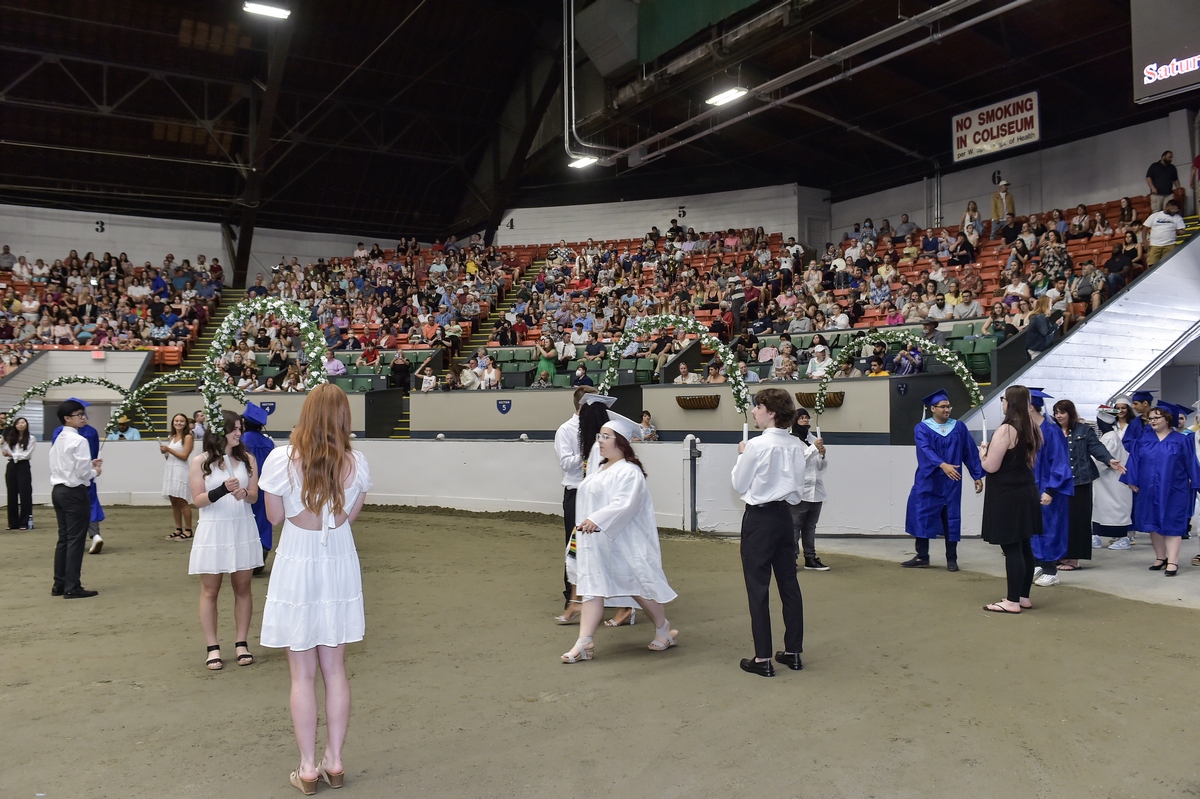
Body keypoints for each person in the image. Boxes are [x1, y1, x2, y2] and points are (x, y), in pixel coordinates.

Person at [257, 384, 370, 794]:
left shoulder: (281, 459)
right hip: (338, 562)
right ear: (343, 417)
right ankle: (335, 762)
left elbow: (272, 518)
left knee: (302, 674)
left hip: (297, 561)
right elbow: (347, 518)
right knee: (335, 668)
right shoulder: (356, 462)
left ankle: (307, 768)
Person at [560, 402, 678, 663]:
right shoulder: (599, 468)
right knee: (592, 587)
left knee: (637, 587)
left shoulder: (629, 471)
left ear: (620, 442)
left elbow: (624, 503)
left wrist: (597, 519)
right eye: (599, 436)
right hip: (596, 542)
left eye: (606, 437)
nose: (600, 441)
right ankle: (584, 642)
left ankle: (663, 629)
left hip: (622, 541)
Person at [731, 388, 806, 677]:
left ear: (771, 412)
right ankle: (793, 651)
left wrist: (741, 455)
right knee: (789, 584)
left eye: (757, 406)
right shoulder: (797, 446)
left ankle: (762, 658)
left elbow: (739, 484)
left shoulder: (756, 446)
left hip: (760, 519)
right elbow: (798, 490)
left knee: (758, 588)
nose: (753, 411)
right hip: (785, 518)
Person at [188, 410, 263, 671]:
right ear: (219, 432)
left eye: (240, 428)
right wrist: (221, 490)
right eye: (234, 429)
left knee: (243, 589)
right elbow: (197, 500)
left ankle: (241, 643)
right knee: (210, 591)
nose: (239, 433)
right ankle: (212, 647)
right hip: (213, 529)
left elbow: (254, 495)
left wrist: (244, 493)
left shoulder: (247, 459)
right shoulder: (200, 462)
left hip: (241, 527)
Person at [901, 390, 984, 571]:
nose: (947, 410)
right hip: (929, 479)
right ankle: (922, 556)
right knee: (921, 513)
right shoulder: (922, 428)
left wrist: (977, 474)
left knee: (951, 517)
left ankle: (951, 558)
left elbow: (969, 451)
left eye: (948, 406)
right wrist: (942, 464)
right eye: (943, 407)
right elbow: (925, 450)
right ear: (933, 408)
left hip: (951, 482)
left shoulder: (959, 427)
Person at [979, 385, 1043, 613]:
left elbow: (991, 466)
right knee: (1025, 545)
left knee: (1012, 547)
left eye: (1004, 399)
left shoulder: (1007, 429)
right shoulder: (1033, 427)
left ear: (1010, 402)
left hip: (1008, 494)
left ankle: (1012, 601)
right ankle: (1023, 596)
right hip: (1026, 491)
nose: (1002, 403)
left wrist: (982, 454)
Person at [1121, 403, 1200, 577]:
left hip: (1174, 489)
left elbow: (1191, 464)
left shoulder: (1182, 440)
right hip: (1148, 488)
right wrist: (1131, 480)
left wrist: (1196, 482)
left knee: (1172, 523)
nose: (1152, 421)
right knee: (1153, 523)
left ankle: (1172, 561)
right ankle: (1160, 557)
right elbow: (1134, 460)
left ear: (1167, 419)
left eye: (1157, 418)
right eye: (1150, 418)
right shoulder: (1143, 439)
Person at [1052, 400, 1125, 570]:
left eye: (1062, 412)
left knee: (1078, 520)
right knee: (1060, 520)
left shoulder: (1084, 430)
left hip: (1080, 481)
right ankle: (1061, 554)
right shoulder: (1052, 431)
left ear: (1071, 413)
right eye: (1056, 413)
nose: (1059, 416)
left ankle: (1074, 559)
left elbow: (1096, 447)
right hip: (1058, 482)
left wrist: (1108, 460)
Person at [49, 399, 103, 599]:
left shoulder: (60, 438)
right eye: (79, 415)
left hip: (58, 490)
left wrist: (88, 467)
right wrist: (95, 470)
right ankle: (72, 586)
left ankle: (60, 583)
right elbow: (82, 472)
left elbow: (61, 465)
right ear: (67, 418)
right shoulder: (79, 440)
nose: (83, 418)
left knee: (64, 538)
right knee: (75, 540)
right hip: (74, 492)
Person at [553, 387, 596, 621]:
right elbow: (567, 463)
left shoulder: (599, 429)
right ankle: (572, 596)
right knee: (573, 545)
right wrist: (587, 452)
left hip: (595, 493)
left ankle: (594, 594)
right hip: (576, 493)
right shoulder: (565, 430)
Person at [1028, 389, 1074, 587]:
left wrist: (1050, 490)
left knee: (1049, 527)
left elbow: (1061, 464)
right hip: (1032, 487)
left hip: (1049, 489)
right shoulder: (1029, 430)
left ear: (1030, 407)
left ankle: (1050, 570)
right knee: (1034, 527)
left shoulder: (1051, 431)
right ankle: (1038, 563)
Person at [790, 408, 829, 571]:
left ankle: (810, 558)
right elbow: (797, 463)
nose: (805, 421)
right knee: (794, 527)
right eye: (802, 418)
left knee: (810, 527)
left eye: (807, 418)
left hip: (816, 490)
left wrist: (821, 455)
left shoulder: (813, 438)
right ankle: (790, 559)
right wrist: (813, 448)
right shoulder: (791, 440)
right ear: (795, 420)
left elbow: (820, 467)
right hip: (801, 491)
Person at [1092, 403, 1134, 550]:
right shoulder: (1108, 436)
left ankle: (1123, 538)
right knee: (1101, 508)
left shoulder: (1110, 438)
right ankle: (1096, 535)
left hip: (1114, 481)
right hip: (1105, 481)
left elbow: (1102, 460)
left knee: (1115, 508)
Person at [241, 402, 276, 576]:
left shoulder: (242, 441)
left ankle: (247, 557)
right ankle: (261, 552)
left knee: (247, 517)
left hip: (248, 485)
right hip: (266, 485)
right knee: (263, 516)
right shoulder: (268, 443)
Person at [161, 413, 195, 541]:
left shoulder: (188, 437)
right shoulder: (172, 437)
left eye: (181, 421)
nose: (178, 423)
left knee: (182, 500)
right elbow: (170, 456)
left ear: (185, 423)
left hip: (180, 470)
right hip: (171, 469)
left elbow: (184, 456)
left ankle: (188, 529)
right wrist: (165, 452)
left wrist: (169, 450)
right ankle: (178, 528)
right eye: (176, 421)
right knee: (173, 501)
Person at [3, 416, 35, 530]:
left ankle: (25, 522)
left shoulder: (31, 438)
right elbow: (5, 449)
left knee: (25, 493)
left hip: (23, 465)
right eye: (18, 423)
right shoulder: (11, 437)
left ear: (26, 424)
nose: (21, 424)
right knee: (11, 493)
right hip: (12, 465)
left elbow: (26, 455)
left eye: (23, 422)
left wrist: (12, 455)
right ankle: (13, 523)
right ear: (15, 425)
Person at [1143, 199, 1185, 266]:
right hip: (1155, 244)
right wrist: (1144, 240)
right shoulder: (1155, 215)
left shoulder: (1177, 218)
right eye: (1173, 209)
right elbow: (1145, 228)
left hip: (1169, 245)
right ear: (1168, 207)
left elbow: (1181, 230)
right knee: (1152, 264)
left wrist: (1180, 231)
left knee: (1169, 264)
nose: (1175, 211)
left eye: (1176, 210)